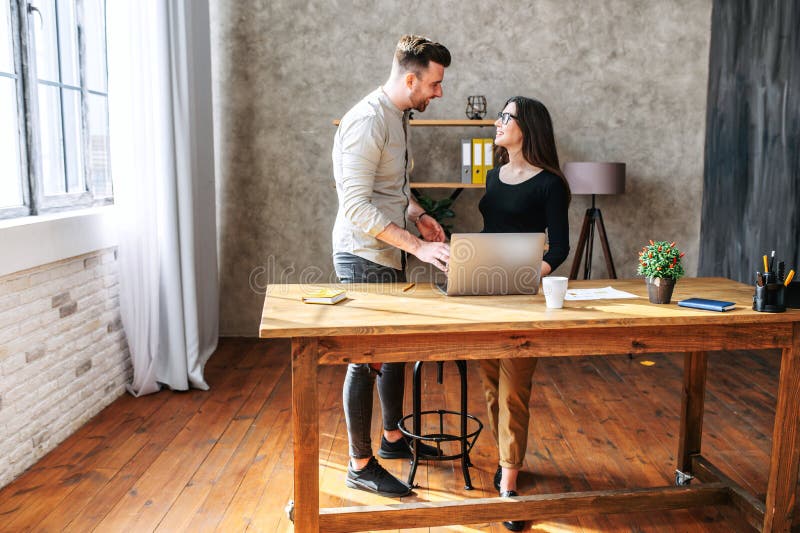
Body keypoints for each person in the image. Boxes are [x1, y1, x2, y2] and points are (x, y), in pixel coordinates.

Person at [331, 34, 452, 497]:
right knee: (365, 359)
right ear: (410, 78)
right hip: (361, 255)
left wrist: (419, 215)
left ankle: (393, 439)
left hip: (385, 252)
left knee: (394, 349)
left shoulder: (398, 117)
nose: (438, 93)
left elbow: (392, 193)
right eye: (435, 84)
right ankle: (360, 465)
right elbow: (358, 207)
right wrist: (420, 250)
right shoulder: (366, 121)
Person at [477, 96, 570, 531]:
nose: (498, 122)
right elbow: (490, 232)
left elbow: (562, 246)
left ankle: (509, 485)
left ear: (527, 127)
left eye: (506, 117)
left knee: (514, 389)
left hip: (522, 298)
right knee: (493, 387)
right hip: (483, 294)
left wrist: (532, 273)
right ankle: (505, 460)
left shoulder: (551, 183)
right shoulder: (494, 177)